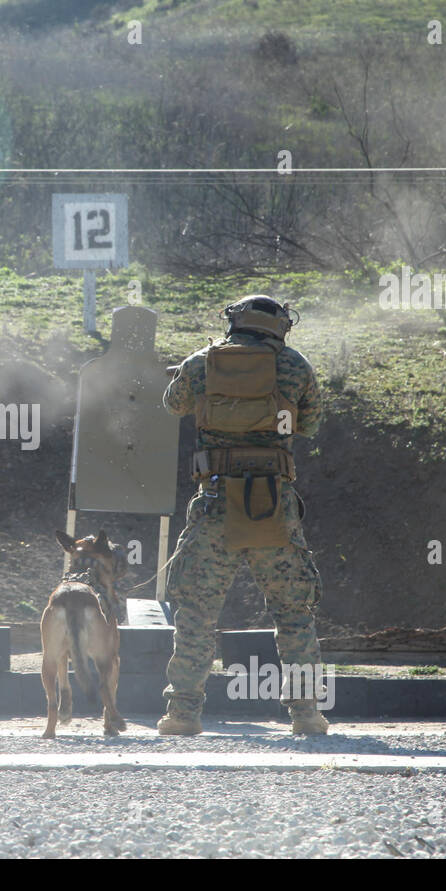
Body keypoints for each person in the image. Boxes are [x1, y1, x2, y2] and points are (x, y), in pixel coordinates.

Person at [159, 294, 329, 736]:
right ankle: (306, 713)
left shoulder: (200, 362)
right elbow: (309, 424)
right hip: (274, 504)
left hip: (216, 500)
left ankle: (183, 713)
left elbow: (173, 404)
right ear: (278, 325)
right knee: (294, 611)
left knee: (196, 610)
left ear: (235, 321)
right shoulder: (294, 365)